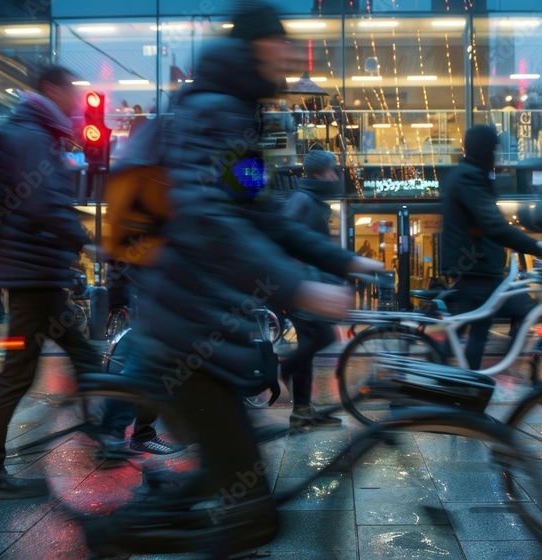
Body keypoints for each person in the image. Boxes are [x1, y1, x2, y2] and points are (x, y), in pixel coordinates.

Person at [81, 2, 382, 554]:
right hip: (186, 330)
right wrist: (299, 287)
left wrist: (344, 262)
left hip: (208, 324)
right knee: (251, 517)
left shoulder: (239, 114)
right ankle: (109, 533)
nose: (291, 54)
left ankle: (162, 506)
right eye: (281, 43)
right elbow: (207, 218)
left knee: (232, 473)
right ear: (255, 48)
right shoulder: (216, 111)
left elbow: (259, 212)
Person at [0, 65, 101, 502]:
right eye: (71, 92)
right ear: (51, 89)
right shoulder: (30, 135)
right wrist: (87, 242)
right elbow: (44, 203)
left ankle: (109, 429)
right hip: (31, 276)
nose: (75, 103)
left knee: (82, 354)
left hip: (40, 273)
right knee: (15, 377)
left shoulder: (37, 133)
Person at [439, 124, 542, 369]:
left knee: (461, 331)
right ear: (486, 149)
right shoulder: (470, 177)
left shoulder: (468, 174)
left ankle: (444, 380)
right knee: (477, 332)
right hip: (476, 269)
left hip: (473, 268)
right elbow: (494, 226)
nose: (496, 156)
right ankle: (466, 388)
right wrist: (538, 247)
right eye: (494, 150)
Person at [280, 149, 348, 428]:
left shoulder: (311, 199)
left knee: (312, 342)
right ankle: (282, 370)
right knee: (322, 338)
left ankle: (302, 412)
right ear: (320, 173)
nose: (335, 176)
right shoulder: (303, 200)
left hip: (304, 286)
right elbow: (290, 238)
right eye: (332, 171)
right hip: (300, 287)